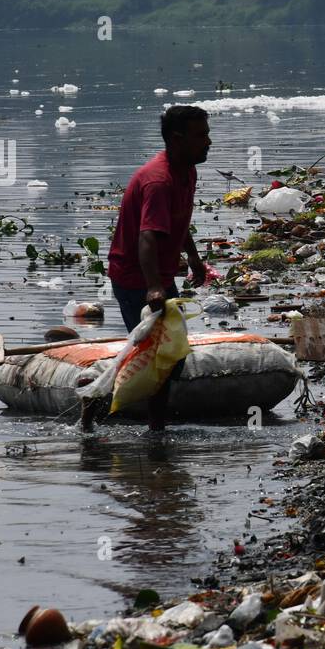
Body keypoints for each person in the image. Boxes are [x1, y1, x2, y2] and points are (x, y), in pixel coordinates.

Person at [92, 105, 210, 431]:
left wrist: (195, 259)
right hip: (136, 279)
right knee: (158, 355)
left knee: (168, 354)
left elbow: (178, 222)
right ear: (177, 139)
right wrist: (154, 286)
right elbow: (147, 238)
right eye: (200, 136)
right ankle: (114, 407)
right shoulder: (158, 181)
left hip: (157, 275)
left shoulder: (186, 170)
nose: (208, 142)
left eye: (207, 134)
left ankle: (154, 426)